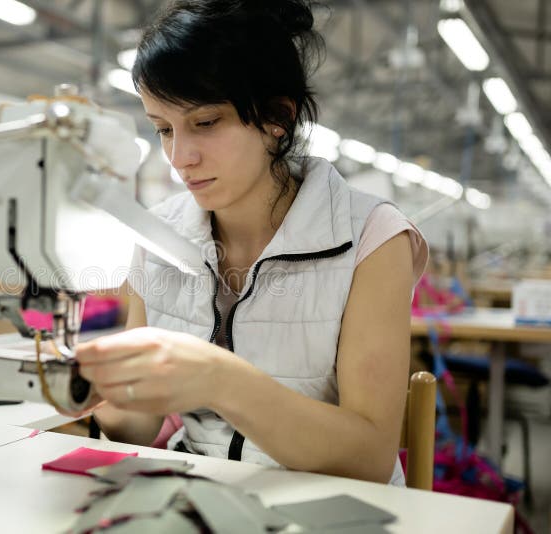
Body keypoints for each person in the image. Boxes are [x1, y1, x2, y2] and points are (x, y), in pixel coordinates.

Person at [74, 0, 428, 485]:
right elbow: (139, 425)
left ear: (276, 117)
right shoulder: (158, 234)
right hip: (198, 492)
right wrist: (92, 388)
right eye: (163, 129)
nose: (180, 157)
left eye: (205, 123)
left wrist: (219, 379)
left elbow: (367, 458)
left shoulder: (372, 238)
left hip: (329, 506)